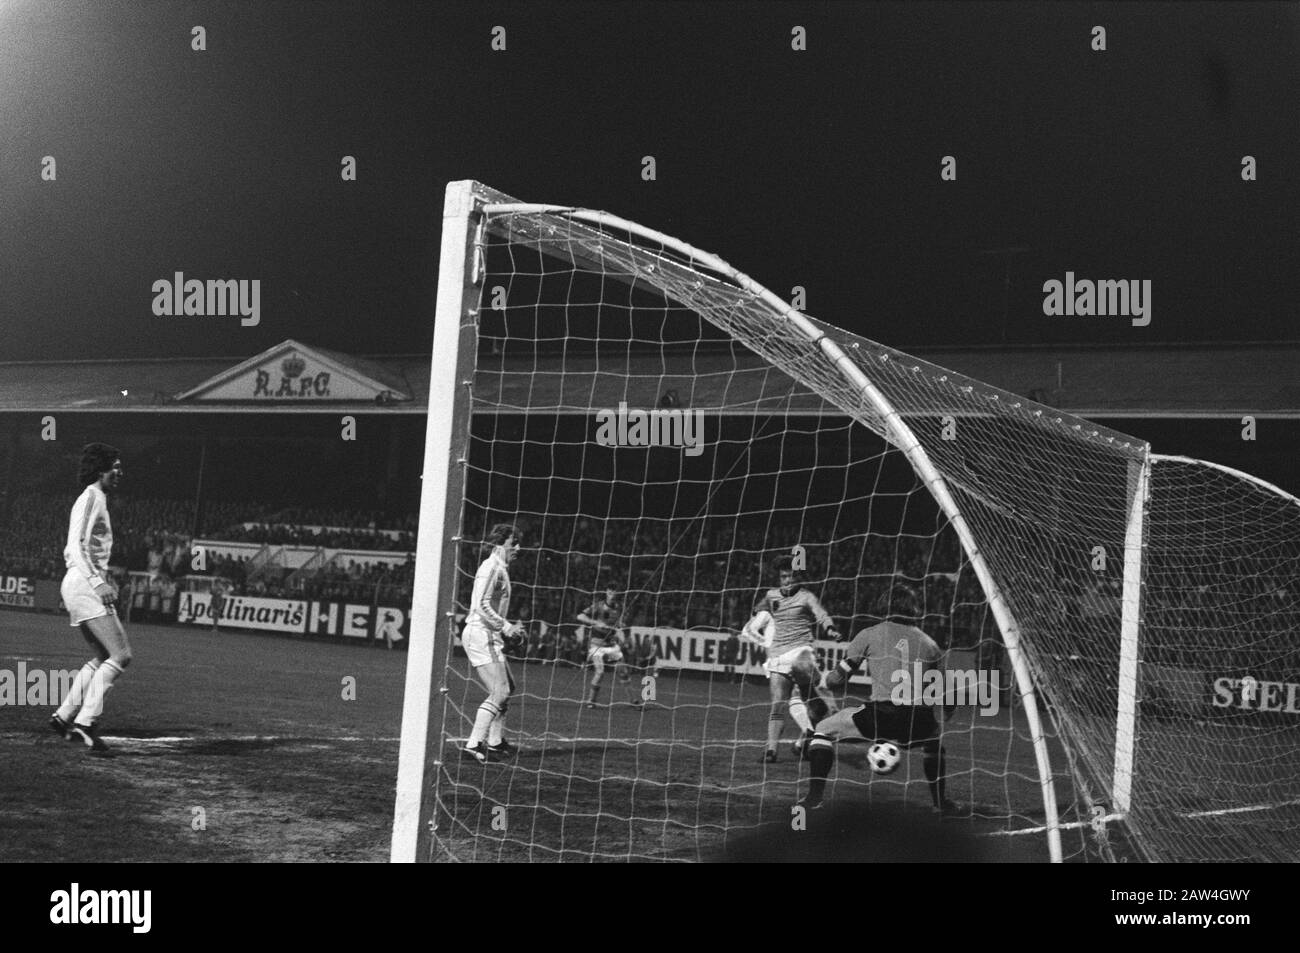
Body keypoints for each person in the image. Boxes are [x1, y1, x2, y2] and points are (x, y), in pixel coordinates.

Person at [798, 584, 959, 815]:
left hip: (881, 716)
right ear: (913, 609)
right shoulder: (930, 644)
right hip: (917, 720)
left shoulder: (869, 634)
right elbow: (945, 691)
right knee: (934, 741)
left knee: (823, 729)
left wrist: (825, 680)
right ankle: (940, 802)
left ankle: (814, 798)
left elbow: (838, 678)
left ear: (884, 606)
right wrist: (948, 713)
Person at [49, 444, 132, 755]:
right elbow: (75, 547)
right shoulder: (92, 496)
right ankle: (86, 724)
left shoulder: (96, 497)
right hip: (83, 583)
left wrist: (101, 579)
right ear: (102, 470)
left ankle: (64, 717)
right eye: (116, 466)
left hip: (82, 582)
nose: (120, 472)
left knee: (102, 655)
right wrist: (98, 583)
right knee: (121, 654)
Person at [750, 556, 841, 763]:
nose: (787, 580)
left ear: (798, 577)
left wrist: (831, 629)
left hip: (801, 649)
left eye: (791, 576)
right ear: (779, 578)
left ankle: (819, 703)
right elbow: (759, 608)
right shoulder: (771, 595)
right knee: (777, 705)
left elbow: (821, 614)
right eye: (783, 576)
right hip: (778, 654)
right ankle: (772, 751)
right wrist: (757, 612)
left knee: (802, 666)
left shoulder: (807, 597)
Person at [460, 523, 526, 764]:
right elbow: (481, 605)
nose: (518, 547)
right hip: (481, 633)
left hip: (489, 634)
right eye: (514, 542)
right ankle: (473, 744)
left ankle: (496, 742)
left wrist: (506, 630)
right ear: (501, 543)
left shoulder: (499, 567)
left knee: (508, 686)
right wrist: (507, 627)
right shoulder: (491, 568)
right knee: (500, 691)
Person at [577, 582, 627, 708]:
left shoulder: (619, 607)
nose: (612, 594)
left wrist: (620, 626)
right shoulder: (598, 606)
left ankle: (633, 700)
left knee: (623, 671)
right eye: (610, 591)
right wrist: (596, 622)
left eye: (614, 592)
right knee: (600, 672)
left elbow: (618, 623)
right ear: (606, 592)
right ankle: (591, 701)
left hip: (610, 644)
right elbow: (580, 616)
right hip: (596, 644)